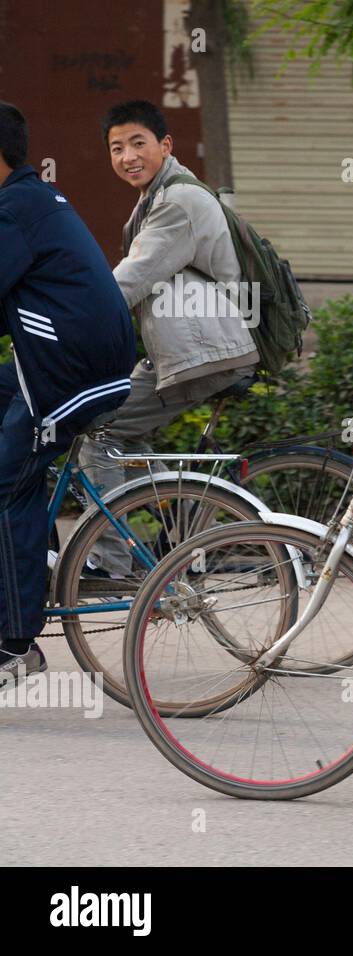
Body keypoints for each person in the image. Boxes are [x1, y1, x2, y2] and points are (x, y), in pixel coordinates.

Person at [79, 100, 260, 578]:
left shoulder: (176, 203)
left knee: (100, 430)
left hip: (206, 352)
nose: (127, 156)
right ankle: (187, 506)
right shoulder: (159, 197)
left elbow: (130, 280)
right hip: (197, 348)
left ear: (166, 145)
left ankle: (112, 558)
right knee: (118, 432)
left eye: (138, 142)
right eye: (116, 148)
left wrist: (66, 323)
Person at [0, 101, 135, 681]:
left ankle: (14, 643)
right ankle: (35, 556)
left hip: (69, 374)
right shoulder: (31, 199)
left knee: (5, 483)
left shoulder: (14, 209)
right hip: (75, 363)